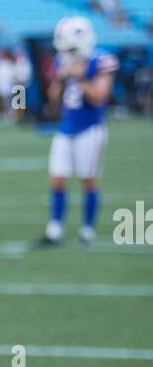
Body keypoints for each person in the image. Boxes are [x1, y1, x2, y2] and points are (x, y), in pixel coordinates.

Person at [41, 16, 117, 247]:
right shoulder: (62, 61)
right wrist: (61, 79)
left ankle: (87, 231)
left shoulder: (102, 60)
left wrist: (79, 76)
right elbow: (53, 102)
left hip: (90, 129)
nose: (68, 52)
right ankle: (54, 230)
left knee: (88, 180)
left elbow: (99, 97)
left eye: (72, 47)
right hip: (65, 128)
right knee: (57, 178)